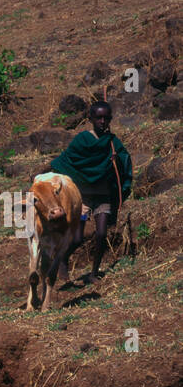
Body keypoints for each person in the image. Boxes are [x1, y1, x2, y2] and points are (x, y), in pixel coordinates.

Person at [50, 99, 133, 282]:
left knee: (102, 234)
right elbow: (68, 159)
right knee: (78, 237)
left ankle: (94, 273)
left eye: (106, 118)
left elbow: (125, 164)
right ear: (91, 118)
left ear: (110, 119)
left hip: (103, 196)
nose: (102, 122)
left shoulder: (112, 142)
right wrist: (44, 171)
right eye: (99, 118)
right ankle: (62, 258)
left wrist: (115, 160)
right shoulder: (82, 140)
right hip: (83, 198)